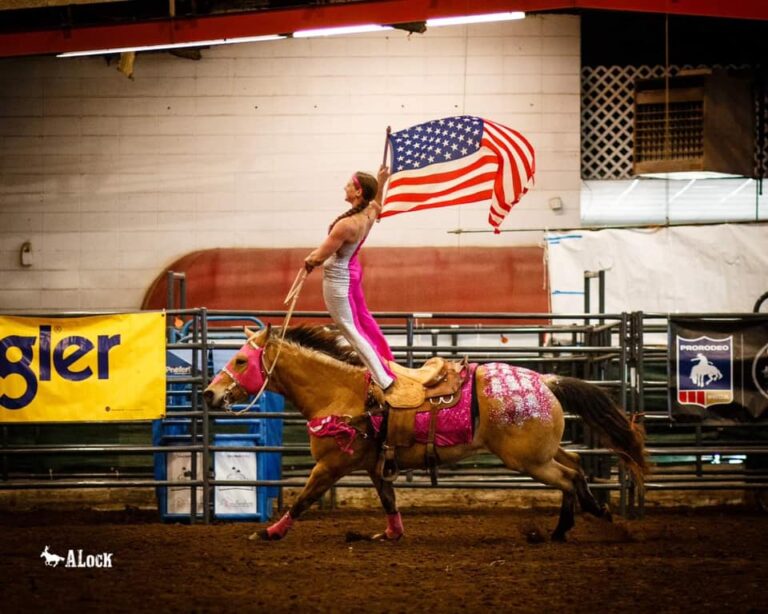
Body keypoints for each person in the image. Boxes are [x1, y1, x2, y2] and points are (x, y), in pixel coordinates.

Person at [304, 165, 396, 392]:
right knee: (361, 322)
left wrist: (309, 260)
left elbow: (320, 256)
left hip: (338, 278)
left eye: (348, 184)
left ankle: (383, 379)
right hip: (349, 272)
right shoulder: (366, 216)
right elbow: (378, 206)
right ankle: (382, 367)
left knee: (349, 328)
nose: (344, 187)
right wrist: (381, 181)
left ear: (358, 193)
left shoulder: (347, 225)